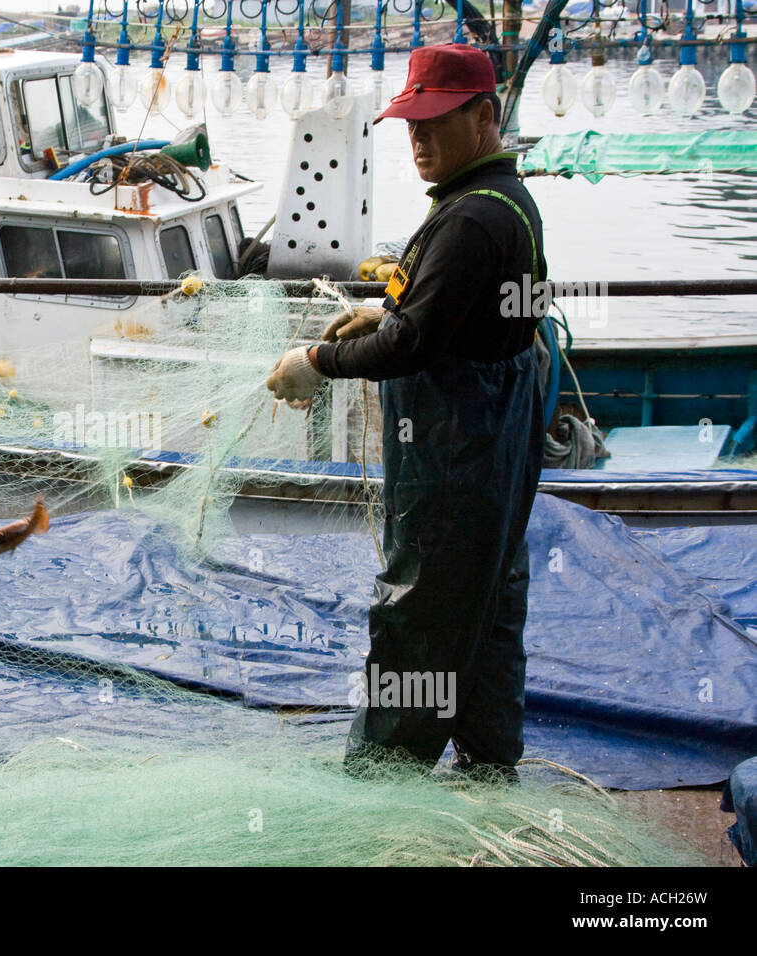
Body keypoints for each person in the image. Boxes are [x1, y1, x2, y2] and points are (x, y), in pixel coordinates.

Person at [267, 44, 547, 778]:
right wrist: (381, 310)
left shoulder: (469, 221)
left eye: (436, 122)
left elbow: (415, 346)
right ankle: (490, 768)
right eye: (410, 124)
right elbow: (474, 315)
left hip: (457, 454)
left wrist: (317, 364)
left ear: (485, 116)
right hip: (498, 448)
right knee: (486, 606)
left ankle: (380, 778)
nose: (418, 139)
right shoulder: (506, 201)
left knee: (420, 610)